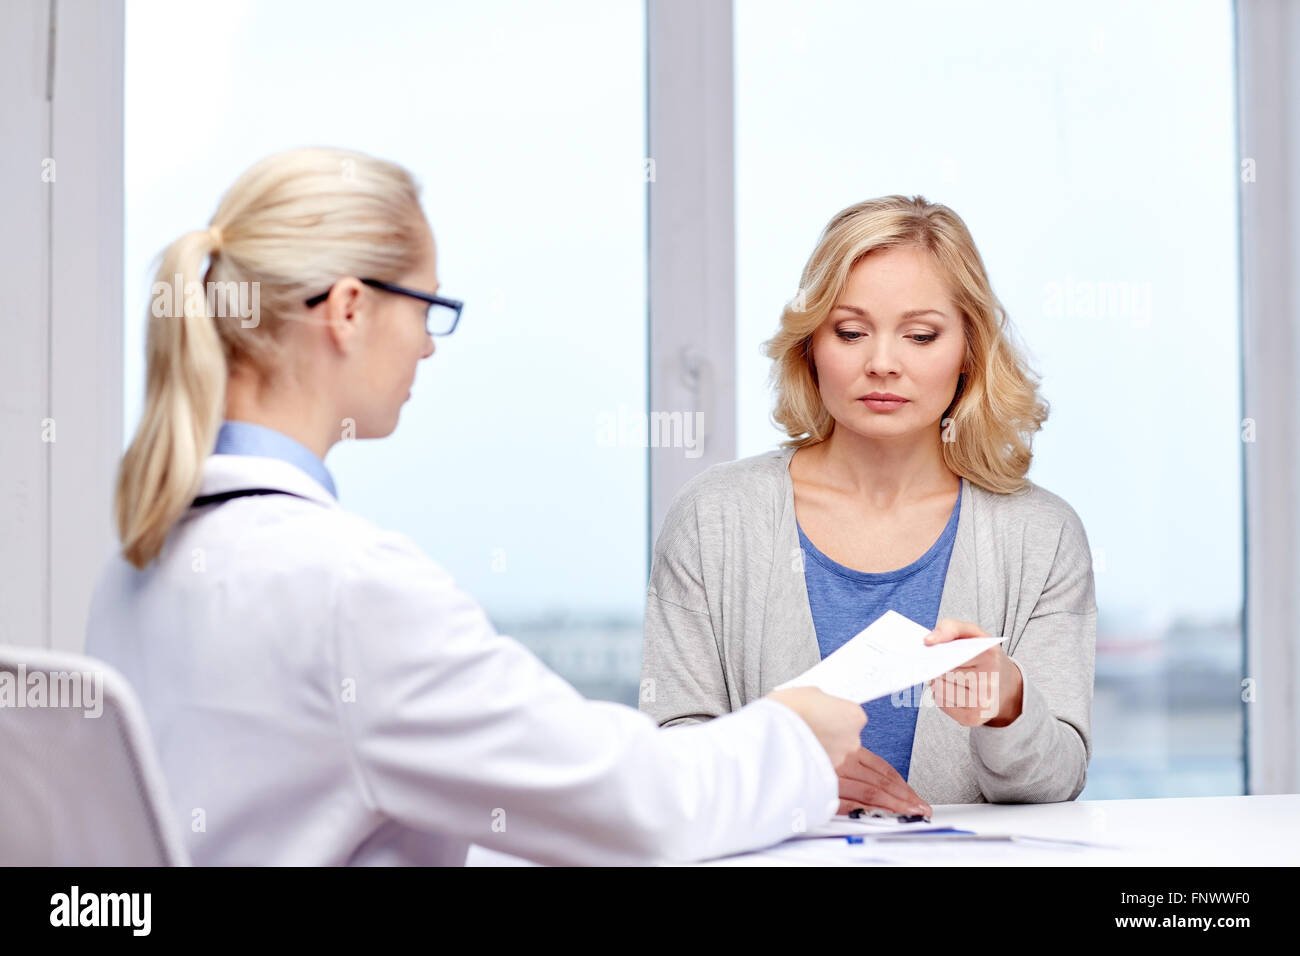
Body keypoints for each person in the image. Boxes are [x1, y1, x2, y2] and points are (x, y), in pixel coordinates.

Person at [84, 147, 866, 866]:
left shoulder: (137, 566)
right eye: (426, 307)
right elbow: (639, 806)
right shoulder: (349, 588)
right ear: (349, 309)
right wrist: (795, 733)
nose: (428, 345)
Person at [640, 196, 1097, 812]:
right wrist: (786, 775)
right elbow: (671, 756)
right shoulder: (713, 519)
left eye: (920, 335)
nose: (882, 364)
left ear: (968, 351)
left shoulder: (1042, 536)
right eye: (850, 332)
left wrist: (1008, 703)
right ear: (810, 347)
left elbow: (1055, 783)